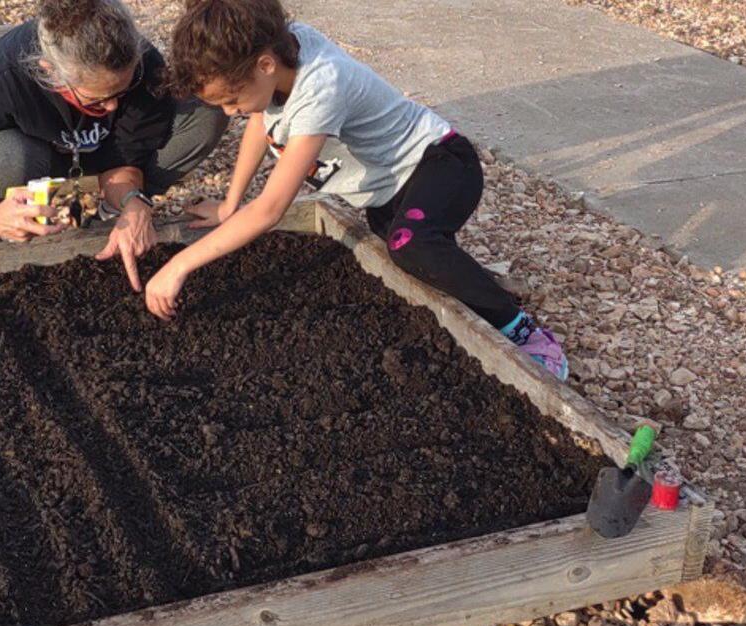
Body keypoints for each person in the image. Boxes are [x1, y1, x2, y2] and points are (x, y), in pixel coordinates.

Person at [145, 0, 568, 380]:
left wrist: (180, 264)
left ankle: (524, 331)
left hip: (442, 165)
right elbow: (261, 122)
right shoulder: (277, 59)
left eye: (230, 99)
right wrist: (229, 205)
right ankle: (472, 280)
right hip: (392, 191)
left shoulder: (320, 87)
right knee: (407, 248)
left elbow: (271, 209)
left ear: (265, 65)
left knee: (410, 246)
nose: (229, 112)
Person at [0, 0, 228, 291]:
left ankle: (110, 211)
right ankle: (22, 215)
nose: (114, 107)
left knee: (204, 115)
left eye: (123, 90)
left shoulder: (143, 66)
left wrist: (132, 200)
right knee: (3, 158)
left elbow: (123, 160)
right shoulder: (4, 77)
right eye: (99, 99)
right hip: (38, 155)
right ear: (51, 73)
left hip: (104, 151)